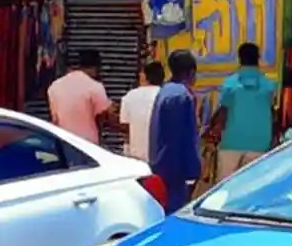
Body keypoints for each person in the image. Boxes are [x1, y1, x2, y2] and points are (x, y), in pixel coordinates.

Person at [207, 43, 278, 182]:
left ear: (239, 59)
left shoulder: (230, 84)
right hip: (260, 143)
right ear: (258, 59)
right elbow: (272, 114)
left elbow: (223, 112)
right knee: (252, 190)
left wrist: (213, 129)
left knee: (225, 189)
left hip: (231, 143)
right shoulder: (269, 86)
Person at [149, 50, 202, 213]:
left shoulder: (165, 91)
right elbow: (183, 137)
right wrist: (193, 168)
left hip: (160, 164)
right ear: (191, 72)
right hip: (175, 170)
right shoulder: (182, 96)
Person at [47, 49, 112, 144]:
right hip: (88, 147)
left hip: (64, 144)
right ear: (97, 68)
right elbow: (102, 118)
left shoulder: (54, 86)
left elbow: (55, 119)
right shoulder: (95, 87)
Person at [118, 60, 164, 161]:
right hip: (160, 158)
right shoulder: (165, 96)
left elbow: (125, 128)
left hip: (136, 157)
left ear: (144, 76)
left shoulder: (129, 96)